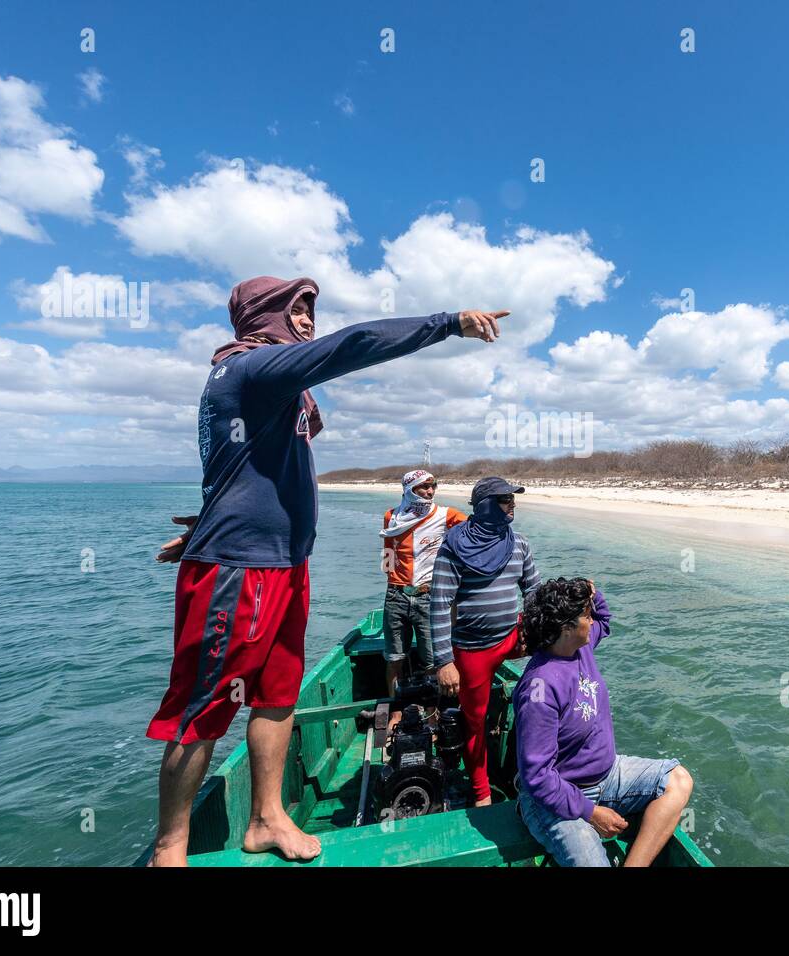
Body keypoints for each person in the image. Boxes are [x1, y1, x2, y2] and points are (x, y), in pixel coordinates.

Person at [149, 275, 508, 866]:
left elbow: (235, 469)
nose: (309, 321)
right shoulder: (250, 367)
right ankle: (172, 845)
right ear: (261, 315)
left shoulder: (268, 388)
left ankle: (266, 817)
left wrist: (204, 523)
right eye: (295, 310)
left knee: (276, 695)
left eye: (312, 310)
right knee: (204, 707)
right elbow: (354, 344)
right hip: (239, 570)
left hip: (285, 563)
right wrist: (448, 323)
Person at [512, 577, 694, 867]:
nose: (592, 618)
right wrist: (590, 812)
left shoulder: (578, 648)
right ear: (566, 628)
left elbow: (605, 620)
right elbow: (538, 778)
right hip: (553, 799)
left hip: (607, 776)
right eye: (586, 615)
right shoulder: (539, 689)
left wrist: (592, 591)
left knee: (679, 780)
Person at [428, 477, 538, 806]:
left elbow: (533, 594)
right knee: (474, 721)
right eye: (505, 500)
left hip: (512, 640)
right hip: (472, 650)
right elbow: (439, 604)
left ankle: (534, 770)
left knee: (540, 694)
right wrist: (444, 662)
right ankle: (481, 791)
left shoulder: (519, 544)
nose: (513, 505)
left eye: (513, 499)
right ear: (488, 506)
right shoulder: (454, 546)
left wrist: (533, 636)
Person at [379, 469, 465, 702]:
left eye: (433, 486)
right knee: (394, 658)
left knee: (432, 661)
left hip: (428, 597)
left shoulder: (446, 515)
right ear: (408, 489)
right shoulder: (391, 516)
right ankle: (396, 709)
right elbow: (388, 550)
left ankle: (431, 714)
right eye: (422, 487)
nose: (429, 492)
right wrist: (392, 578)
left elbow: (474, 531)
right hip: (395, 596)